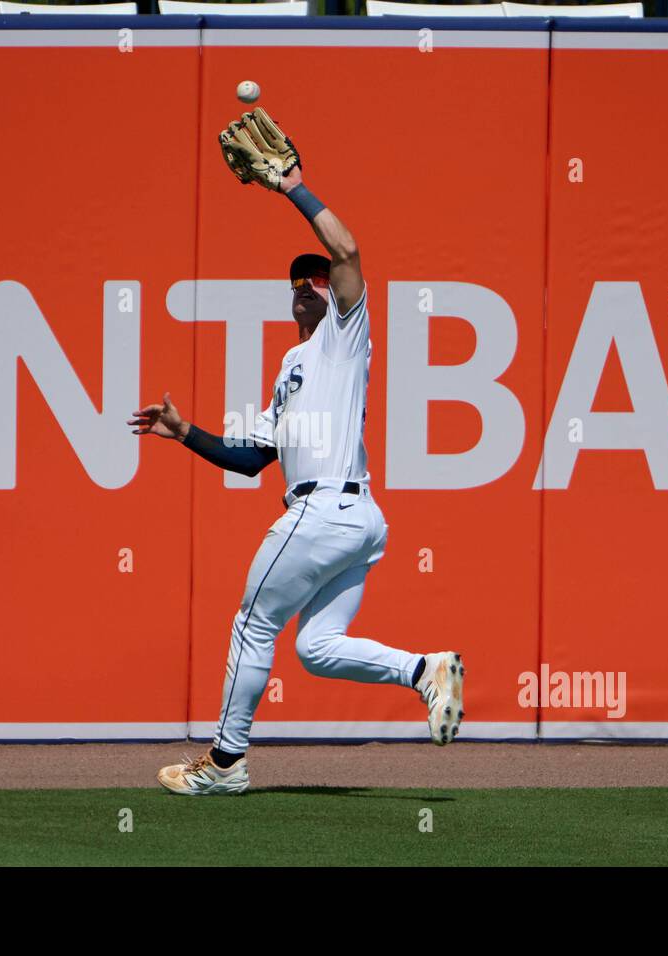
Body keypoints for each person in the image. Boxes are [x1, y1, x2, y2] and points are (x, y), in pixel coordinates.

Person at [129, 109, 465, 796]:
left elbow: (348, 253)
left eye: (315, 278)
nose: (308, 283)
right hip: (354, 521)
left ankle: (224, 764)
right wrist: (184, 431)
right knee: (313, 648)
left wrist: (292, 187)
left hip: (328, 514)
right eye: (298, 279)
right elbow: (254, 459)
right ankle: (424, 669)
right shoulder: (291, 366)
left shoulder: (345, 338)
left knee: (253, 622)